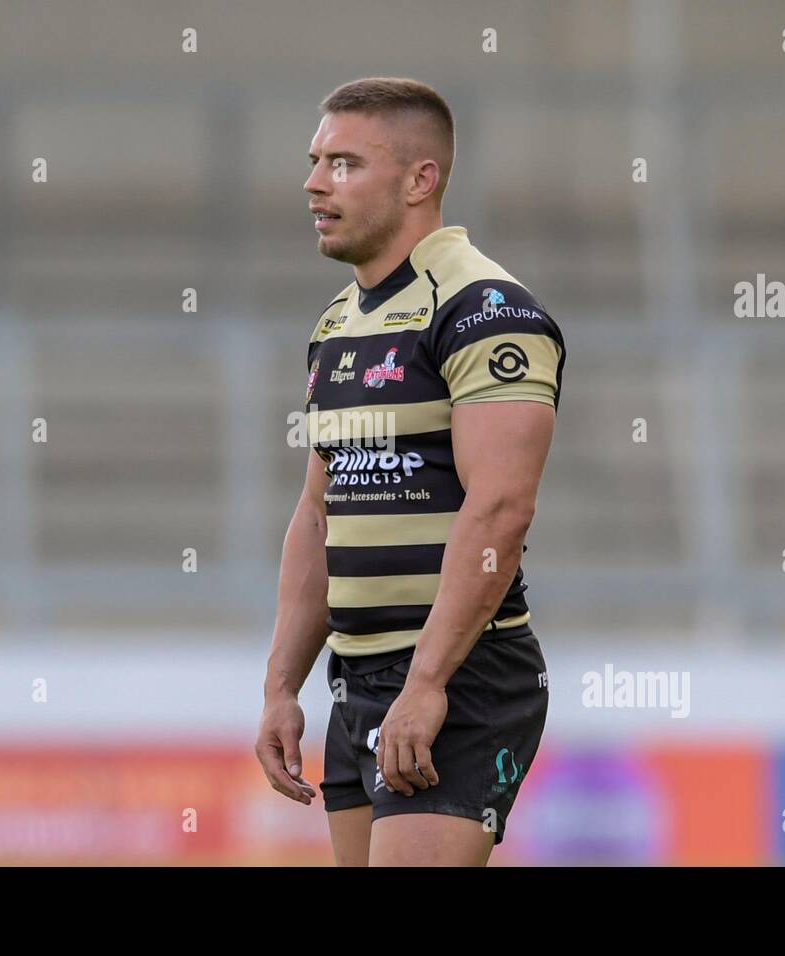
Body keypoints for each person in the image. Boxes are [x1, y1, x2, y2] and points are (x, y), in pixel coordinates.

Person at [256, 77, 566, 866]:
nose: (315, 182)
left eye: (346, 163)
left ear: (421, 180)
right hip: (355, 678)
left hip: (459, 672)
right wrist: (281, 686)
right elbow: (320, 512)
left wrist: (427, 682)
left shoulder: (485, 311)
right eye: (316, 161)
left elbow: (501, 510)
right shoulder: (335, 325)